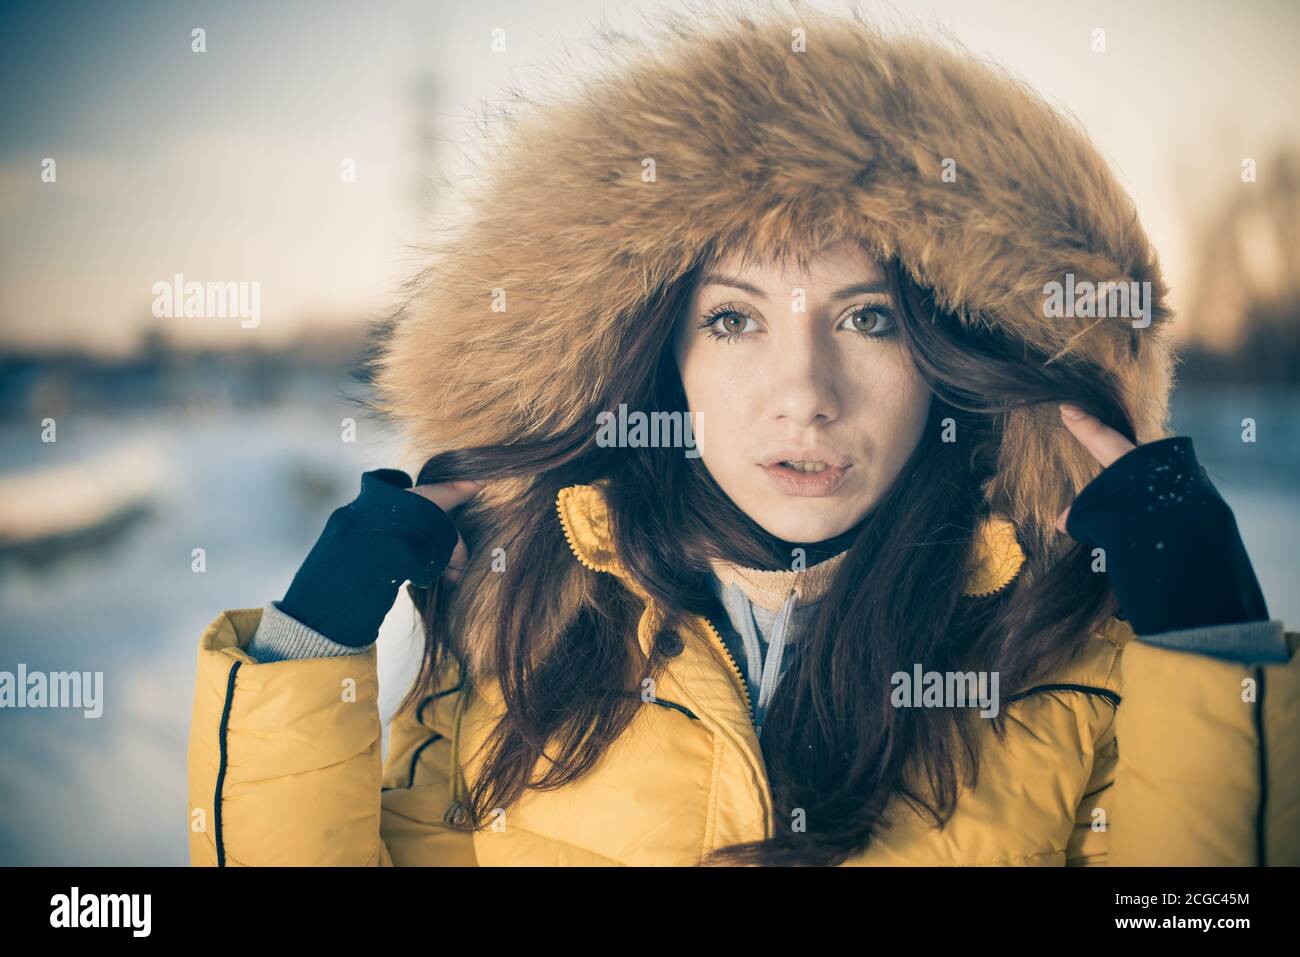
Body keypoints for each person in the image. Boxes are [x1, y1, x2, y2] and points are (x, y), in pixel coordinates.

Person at [186, 8, 1298, 867]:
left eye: (868, 319)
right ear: (656, 357)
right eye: (732, 319)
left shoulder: (1073, 665)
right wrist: (305, 651)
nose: (803, 395)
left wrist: (1211, 656)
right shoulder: (524, 636)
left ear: (950, 355)